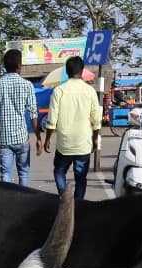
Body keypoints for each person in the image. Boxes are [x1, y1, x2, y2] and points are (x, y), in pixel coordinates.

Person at [42, 55, 101, 199]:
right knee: (81, 177)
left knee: (59, 171)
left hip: (64, 145)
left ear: (66, 72)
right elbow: (97, 120)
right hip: (83, 144)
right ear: (81, 71)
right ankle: (79, 205)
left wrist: (48, 139)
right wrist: (95, 140)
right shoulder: (90, 91)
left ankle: (64, 196)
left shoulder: (59, 91)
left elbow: (52, 120)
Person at [0, 48, 40, 185]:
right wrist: (39, 137)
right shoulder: (27, 85)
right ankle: (24, 202)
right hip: (22, 138)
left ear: (5, 66)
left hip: (4, 138)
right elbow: (33, 113)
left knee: (6, 173)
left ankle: (8, 202)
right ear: (18, 66)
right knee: (23, 172)